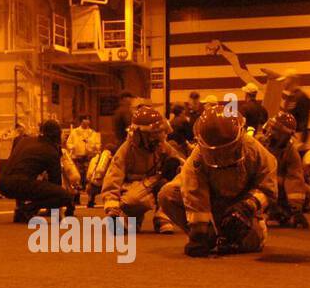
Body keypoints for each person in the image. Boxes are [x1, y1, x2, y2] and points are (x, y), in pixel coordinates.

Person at [159, 104, 278, 256]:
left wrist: (248, 206)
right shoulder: (197, 160)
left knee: (253, 242)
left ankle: (230, 236)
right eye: (217, 152)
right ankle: (209, 236)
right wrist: (199, 233)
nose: (222, 157)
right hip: (212, 204)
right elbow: (194, 192)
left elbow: (268, 186)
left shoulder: (255, 151)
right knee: (168, 194)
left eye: (226, 150)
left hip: (242, 208)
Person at [100, 103, 182, 233]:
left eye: (159, 133)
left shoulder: (162, 147)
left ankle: (163, 218)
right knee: (134, 200)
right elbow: (112, 179)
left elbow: (182, 165)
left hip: (152, 186)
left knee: (172, 181)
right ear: (139, 135)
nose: (158, 137)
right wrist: (112, 207)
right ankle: (128, 218)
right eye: (153, 134)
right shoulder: (126, 150)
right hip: (132, 192)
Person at [0, 120, 76, 222]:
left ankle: (20, 210)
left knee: (24, 179)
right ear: (57, 135)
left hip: (2, 183)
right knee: (64, 196)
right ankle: (28, 209)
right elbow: (56, 183)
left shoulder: (24, 140)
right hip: (19, 183)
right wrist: (57, 215)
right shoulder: (51, 150)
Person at [257, 111, 310, 228]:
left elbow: (295, 178)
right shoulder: (259, 144)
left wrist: (296, 209)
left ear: (285, 135)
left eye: (275, 130)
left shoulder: (291, 152)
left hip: (278, 185)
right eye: (271, 128)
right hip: (259, 183)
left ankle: (282, 211)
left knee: (309, 192)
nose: (271, 133)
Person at [66, 116, 102, 186]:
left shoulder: (92, 132)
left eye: (88, 119)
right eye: (86, 119)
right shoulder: (74, 132)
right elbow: (69, 143)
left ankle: (87, 186)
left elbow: (98, 144)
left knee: (89, 172)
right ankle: (79, 185)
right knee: (79, 172)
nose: (87, 121)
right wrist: (73, 147)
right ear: (81, 121)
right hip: (78, 156)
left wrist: (94, 146)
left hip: (89, 156)